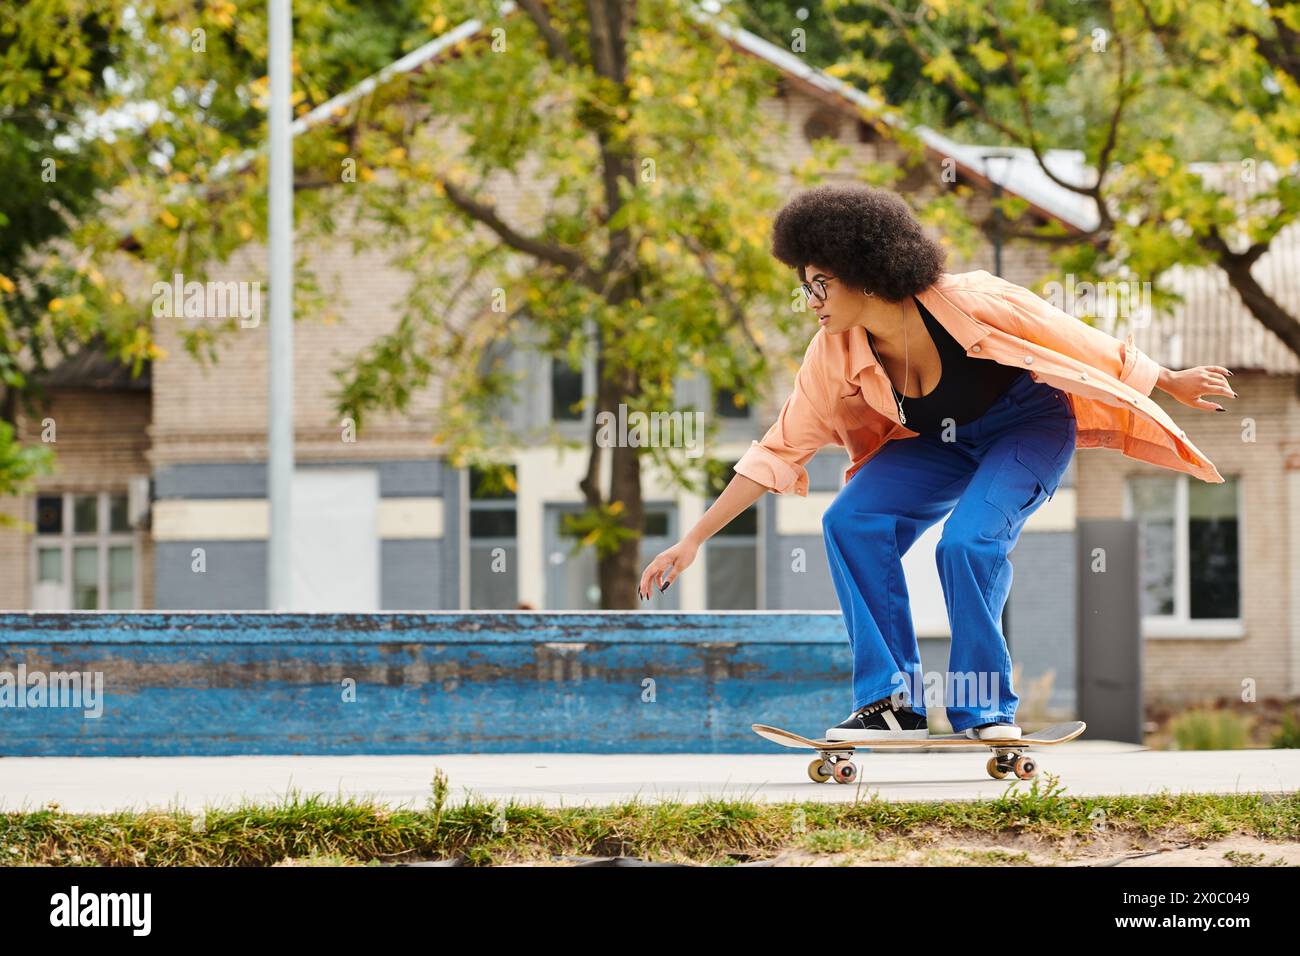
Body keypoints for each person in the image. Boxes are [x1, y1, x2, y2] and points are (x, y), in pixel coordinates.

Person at [637, 183, 1233, 742]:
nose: (811, 301)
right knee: (849, 520)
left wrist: (1165, 379)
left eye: (820, 283)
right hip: (937, 444)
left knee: (966, 544)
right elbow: (777, 449)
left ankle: (985, 708)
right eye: (805, 286)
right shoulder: (832, 354)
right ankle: (892, 703)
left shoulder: (970, 301)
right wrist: (692, 540)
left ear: (863, 272)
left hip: (1026, 426)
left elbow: (1072, 338)